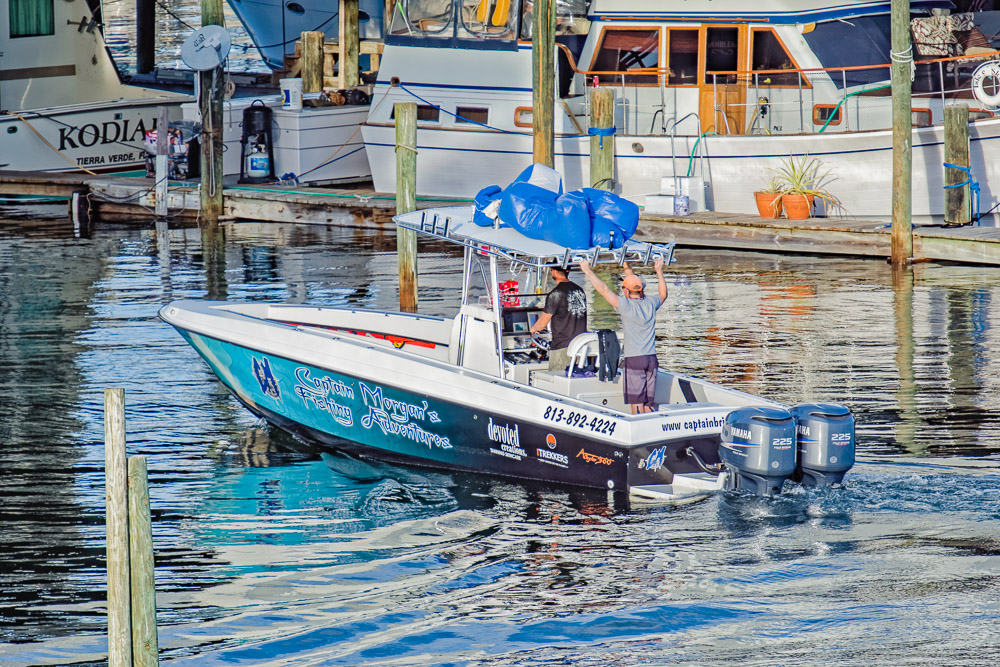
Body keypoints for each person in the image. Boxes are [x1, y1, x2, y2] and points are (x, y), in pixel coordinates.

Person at [578, 258, 666, 413]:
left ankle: (639, 432)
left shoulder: (626, 306)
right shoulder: (651, 303)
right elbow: (663, 294)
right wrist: (658, 271)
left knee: (637, 402)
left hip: (635, 359)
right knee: (648, 402)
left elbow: (604, 289)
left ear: (626, 291)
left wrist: (587, 271)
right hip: (651, 358)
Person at [528, 266, 588, 371]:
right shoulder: (579, 290)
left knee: (557, 380)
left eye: (551, 269)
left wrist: (533, 329)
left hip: (562, 346)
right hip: (580, 344)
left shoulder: (556, 293)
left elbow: (543, 323)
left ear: (555, 271)